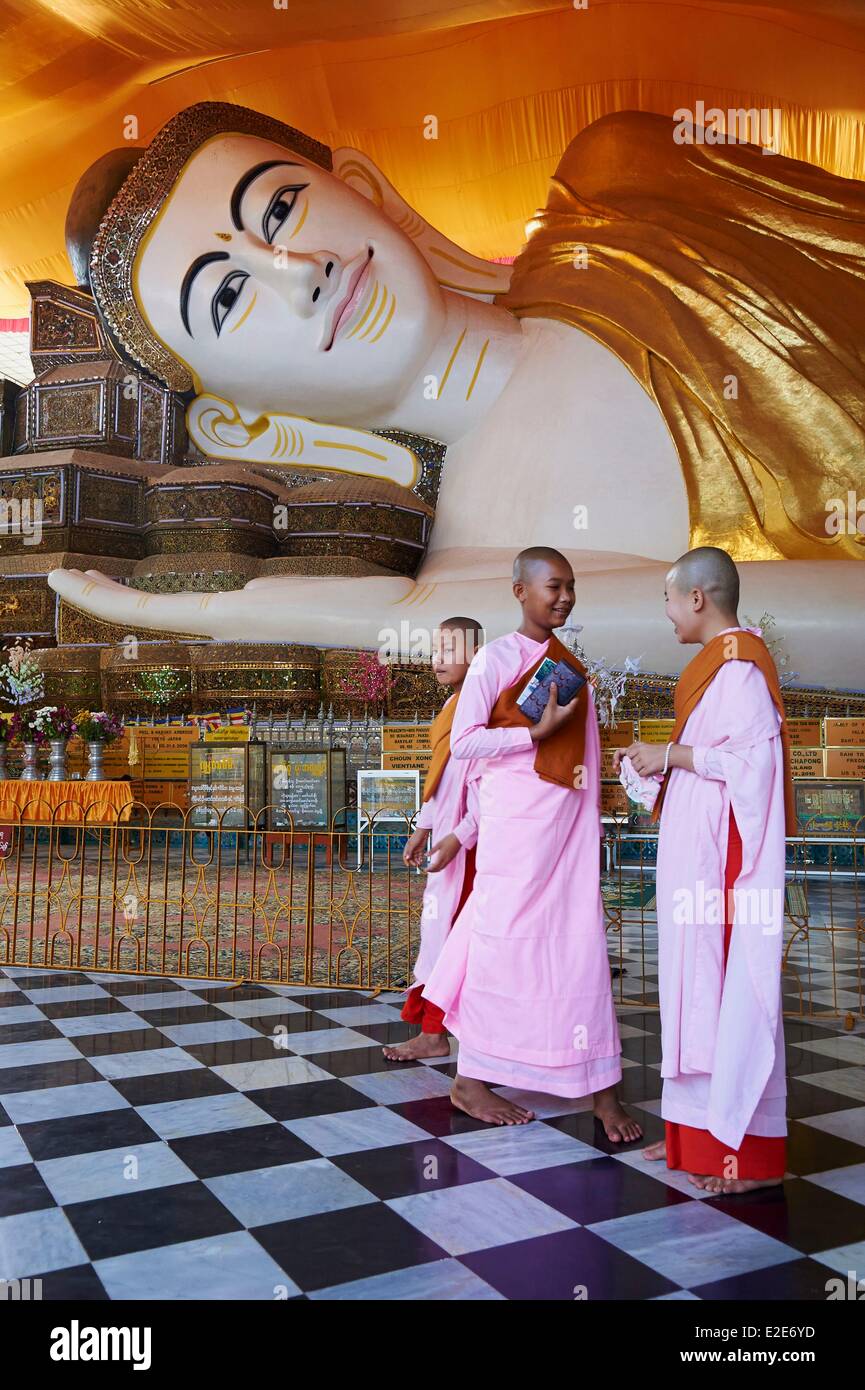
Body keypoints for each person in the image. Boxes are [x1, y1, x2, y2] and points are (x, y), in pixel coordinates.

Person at [423, 546, 642, 1138]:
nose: (564, 597)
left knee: (578, 949)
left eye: (571, 586)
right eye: (553, 586)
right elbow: (465, 743)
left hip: (566, 834)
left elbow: (583, 753)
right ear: (520, 591)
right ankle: (473, 1079)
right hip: (515, 833)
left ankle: (601, 1088)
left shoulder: (569, 667)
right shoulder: (493, 660)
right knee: (505, 949)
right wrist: (532, 734)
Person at [615, 545, 794, 1194]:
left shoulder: (740, 668)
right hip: (695, 863)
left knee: (724, 993)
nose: (666, 613)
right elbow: (707, 762)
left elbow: (751, 769)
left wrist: (673, 753)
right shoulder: (716, 668)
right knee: (690, 994)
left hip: (724, 867)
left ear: (696, 598)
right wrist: (657, 766)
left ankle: (743, 1157)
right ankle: (692, 1135)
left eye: (667, 599)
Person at [383, 616, 483, 1062]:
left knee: (459, 936)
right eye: (435, 651)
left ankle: (443, 1031)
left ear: (476, 654)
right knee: (438, 932)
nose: (437, 660)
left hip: (474, 845)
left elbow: (490, 784)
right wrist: (423, 828)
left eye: (449, 651)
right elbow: (442, 777)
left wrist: (461, 836)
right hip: (447, 836)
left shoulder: (487, 706)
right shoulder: (451, 705)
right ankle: (435, 1029)